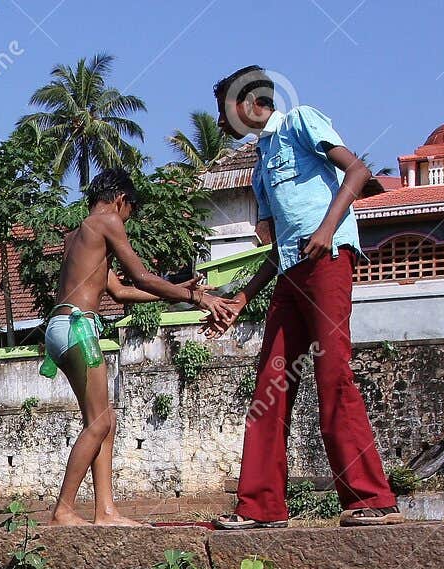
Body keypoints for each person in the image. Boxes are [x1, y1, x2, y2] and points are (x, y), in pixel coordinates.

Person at [205, 67, 402, 529]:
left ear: (245, 102)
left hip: (328, 261)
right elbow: (277, 249)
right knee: (270, 384)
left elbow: (358, 170)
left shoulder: (300, 122)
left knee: (333, 374)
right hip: (291, 273)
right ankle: (261, 507)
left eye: (222, 111)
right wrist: (241, 298)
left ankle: (371, 499)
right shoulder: (260, 167)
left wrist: (327, 228)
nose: (220, 123)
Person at [46, 169, 237, 527]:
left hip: (60, 328)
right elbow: (142, 277)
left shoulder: (80, 234)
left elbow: (122, 292)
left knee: (104, 421)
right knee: (100, 422)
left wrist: (178, 290)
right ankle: (64, 509)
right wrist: (197, 297)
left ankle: (105, 511)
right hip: (79, 328)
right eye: (128, 211)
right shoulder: (107, 221)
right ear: (120, 200)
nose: (126, 221)